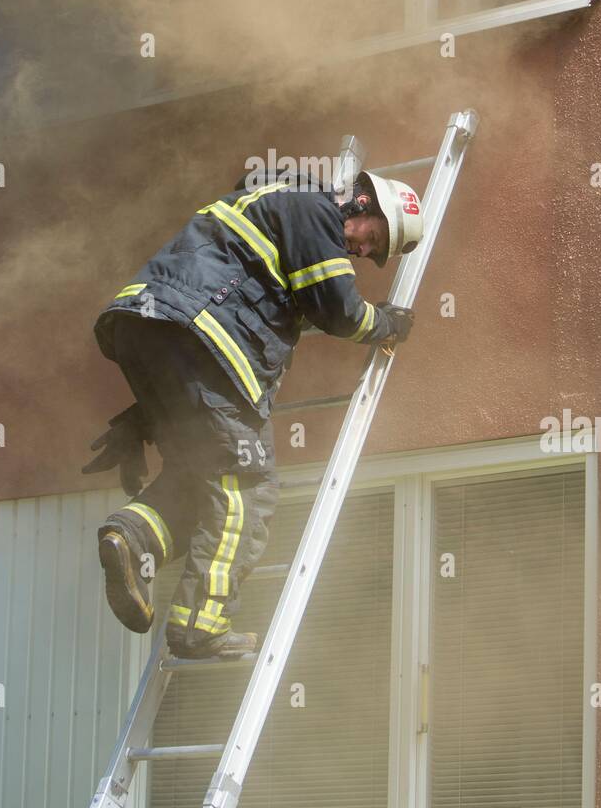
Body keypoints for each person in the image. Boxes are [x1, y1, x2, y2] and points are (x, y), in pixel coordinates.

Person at [85, 165, 422, 659]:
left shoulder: (274, 204)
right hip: (204, 340)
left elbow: (188, 328)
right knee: (246, 485)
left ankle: (131, 536)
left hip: (155, 327)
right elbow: (340, 312)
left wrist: (144, 418)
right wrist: (387, 322)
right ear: (364, 204)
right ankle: (201, 623)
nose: (365, 252)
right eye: (375, 239)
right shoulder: (315, 210)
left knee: (201, 477)